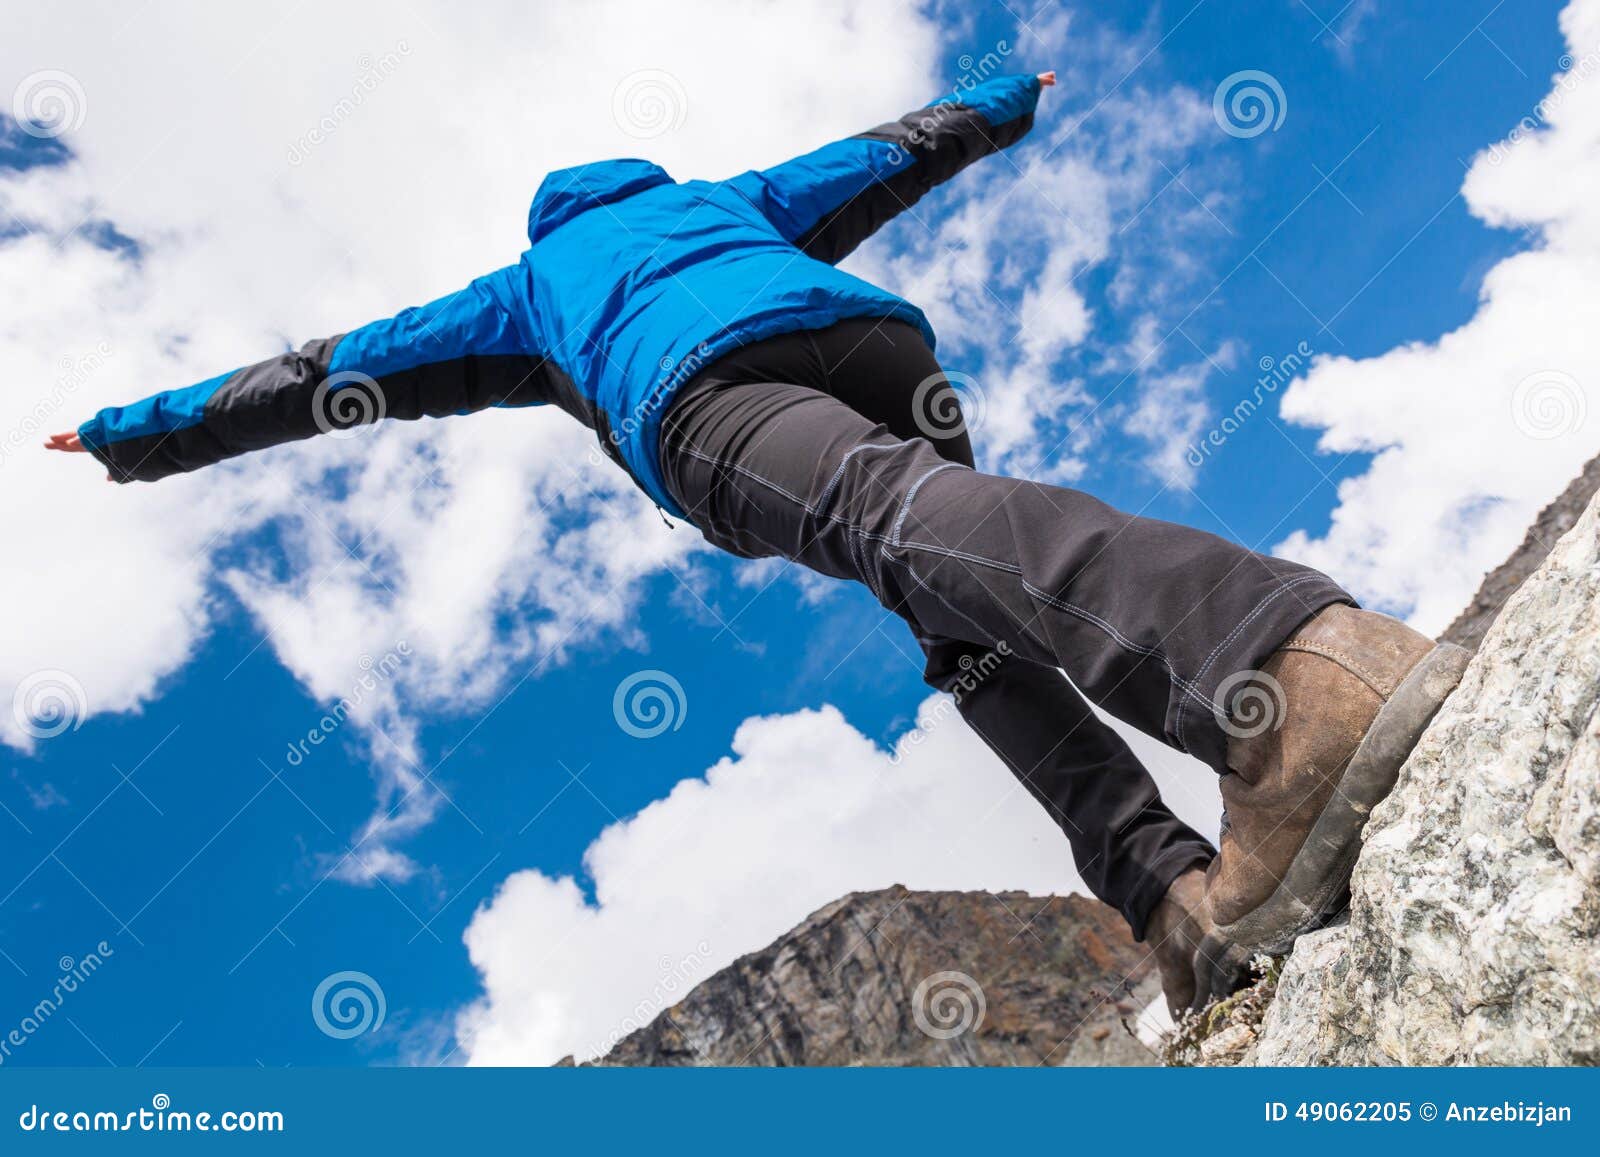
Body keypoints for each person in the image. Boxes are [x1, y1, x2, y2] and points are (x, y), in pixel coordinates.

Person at [46, 72, 1469, 1017]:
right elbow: (884, 156)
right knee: (962, 613)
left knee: (890, 522)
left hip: (706, 398)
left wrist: (134, 431)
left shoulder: (531, 284)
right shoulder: (719, 198)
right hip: (873, 341)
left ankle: (1284, 672)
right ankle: (1182, 910)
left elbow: (323, 369)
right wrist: (998, 108)